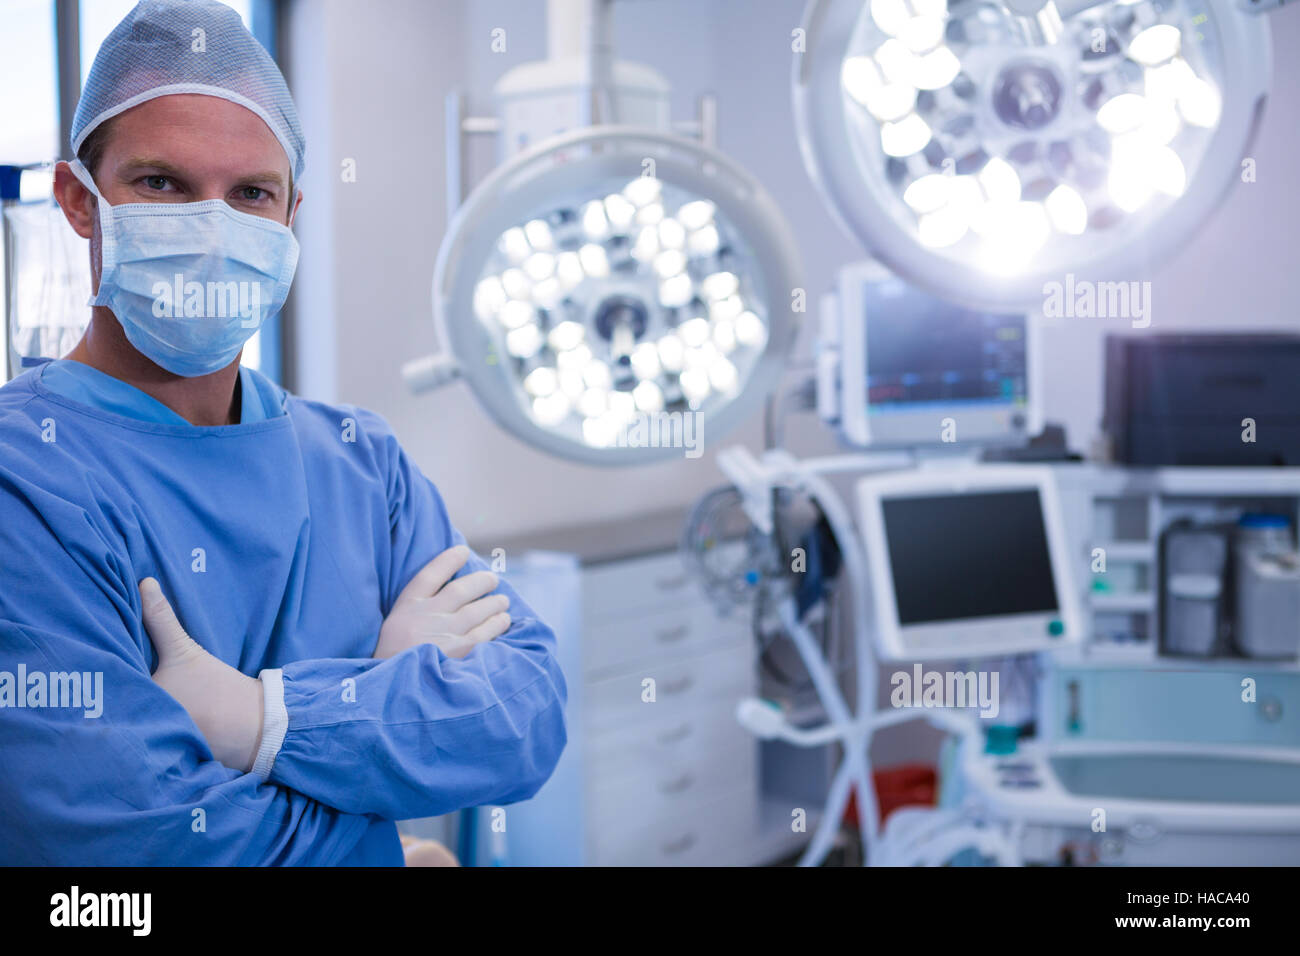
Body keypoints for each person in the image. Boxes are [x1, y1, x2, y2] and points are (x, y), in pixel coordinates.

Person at [0, 0, 566, 865]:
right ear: (80, 201)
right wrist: (390, 810)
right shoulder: (25, 479)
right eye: (163, 184)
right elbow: (134, 845)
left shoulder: (361, 462)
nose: (214, 226)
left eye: (251, 194)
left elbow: (525, 716)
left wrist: (264, 722)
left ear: (292, 216)